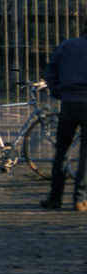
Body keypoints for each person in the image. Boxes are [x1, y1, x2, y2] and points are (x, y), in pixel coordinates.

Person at [42, 27, 87, 210]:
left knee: (62, 150)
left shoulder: (67, 45)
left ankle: (55, 197)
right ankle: (80, 198)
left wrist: (58, 91)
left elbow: (51, 71)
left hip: (69, 102)